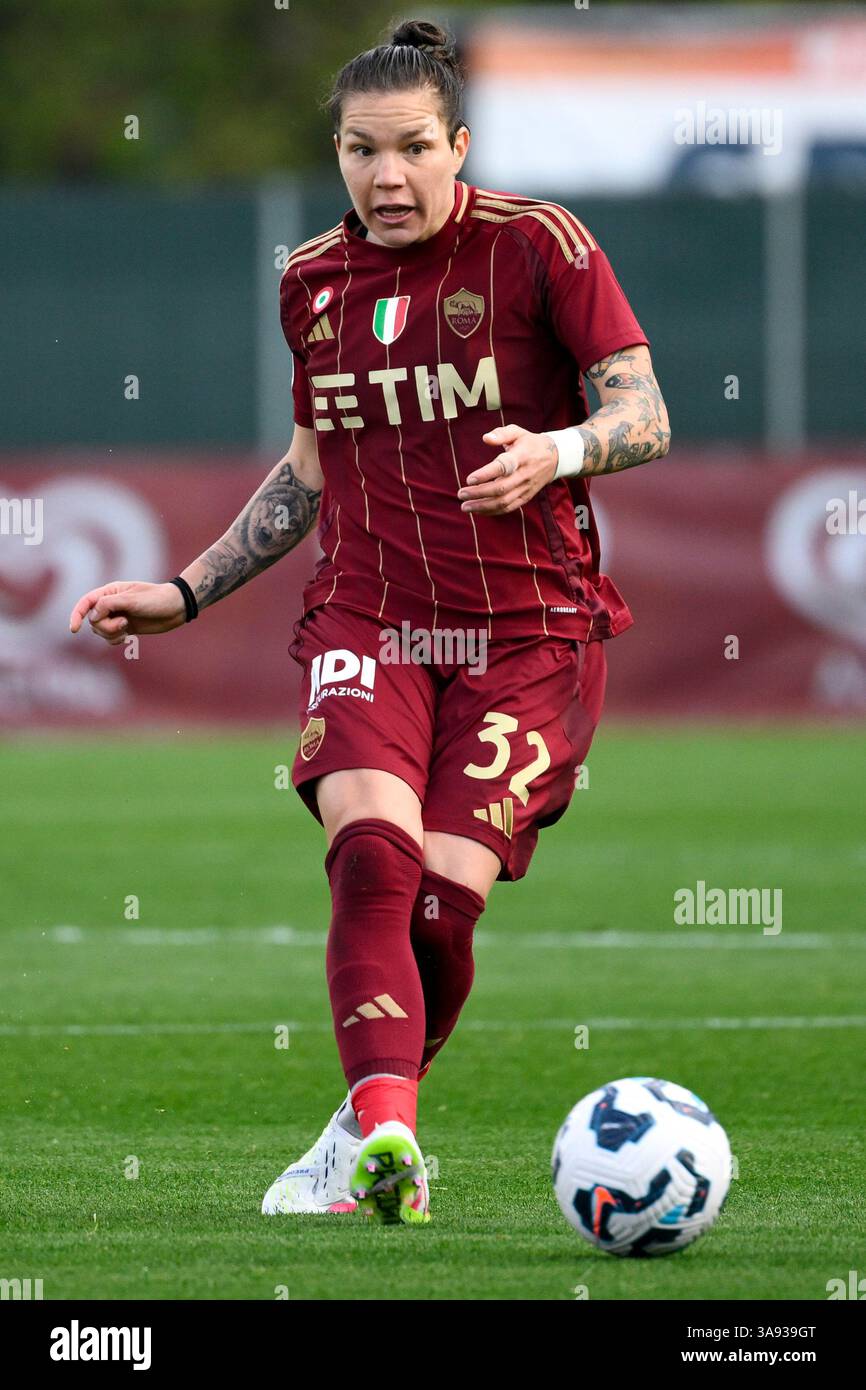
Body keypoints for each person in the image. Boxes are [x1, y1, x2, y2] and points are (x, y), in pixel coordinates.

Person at [69, 17, 670, 1228]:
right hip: (372, 620)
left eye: (409, 149)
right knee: (370, 860)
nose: (384, 177)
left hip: (528, 635)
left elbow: (644, 413)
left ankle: (355, 1134)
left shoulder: (540, 246)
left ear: (457, 146)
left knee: (443, 906)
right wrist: (184, 589)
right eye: (358, 150)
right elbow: (307, 469)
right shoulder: (309, 282)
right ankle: (390, 1134)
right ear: (334, 152)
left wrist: (555, 451)